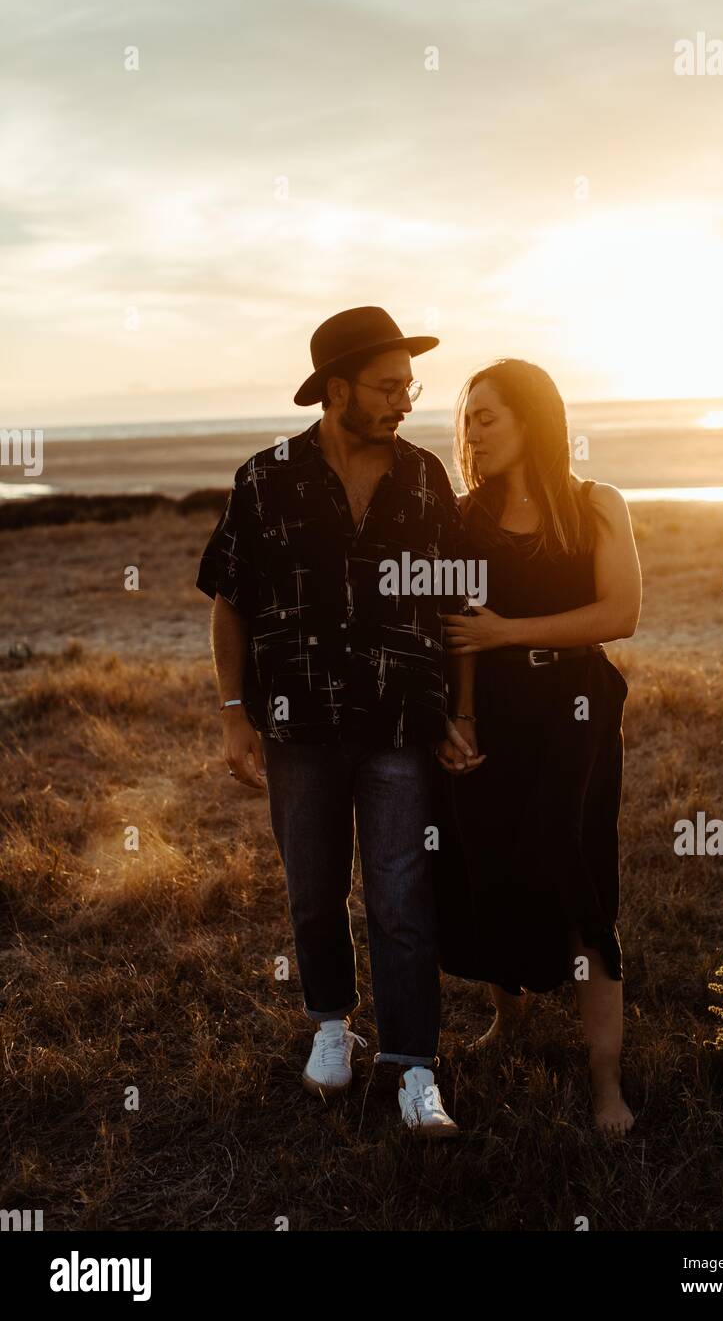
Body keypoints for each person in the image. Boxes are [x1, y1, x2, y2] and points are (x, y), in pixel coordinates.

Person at [196, 306, 476, 1138]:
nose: (404, 402)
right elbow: (229, 603)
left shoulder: (427, 478)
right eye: (389, 387)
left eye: (410, 386)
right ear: (338, 388)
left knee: (400, 892)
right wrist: (233, 716)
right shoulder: (264, 478)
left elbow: (458, 600)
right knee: (313, 890)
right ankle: (331, 1027)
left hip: (400, 727)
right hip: (298, 729)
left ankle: (414, 1067)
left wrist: (461, 709)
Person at [433, 359, 642, 1136]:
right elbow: (460, 630)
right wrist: (460, 717)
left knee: (578, 878)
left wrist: (510, 632)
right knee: (490, 868)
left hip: (575, 712)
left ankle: (606, 1083)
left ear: (532, 419)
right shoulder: (460, 517)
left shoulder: (596, 505)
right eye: (467, 418)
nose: (473, 431)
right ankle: (510, 1021)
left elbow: (620, 612)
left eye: (488, 416)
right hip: (494, 713)